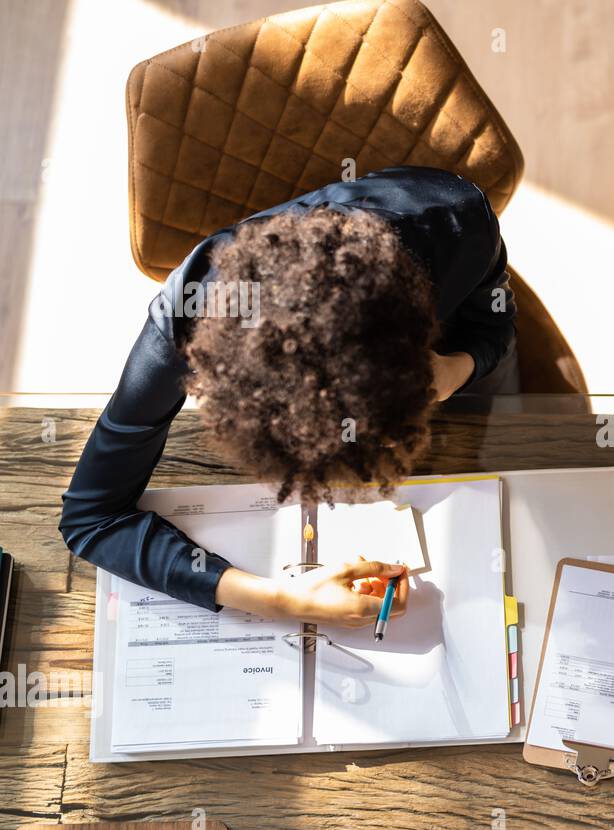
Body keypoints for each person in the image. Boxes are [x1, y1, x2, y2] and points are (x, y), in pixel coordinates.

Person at [61, 166, 517, 627]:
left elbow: (495, 326)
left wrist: (455, 369)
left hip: (453, 391)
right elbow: (90, 519)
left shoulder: (458, 220)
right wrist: (285, 600)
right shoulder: (188, 318)